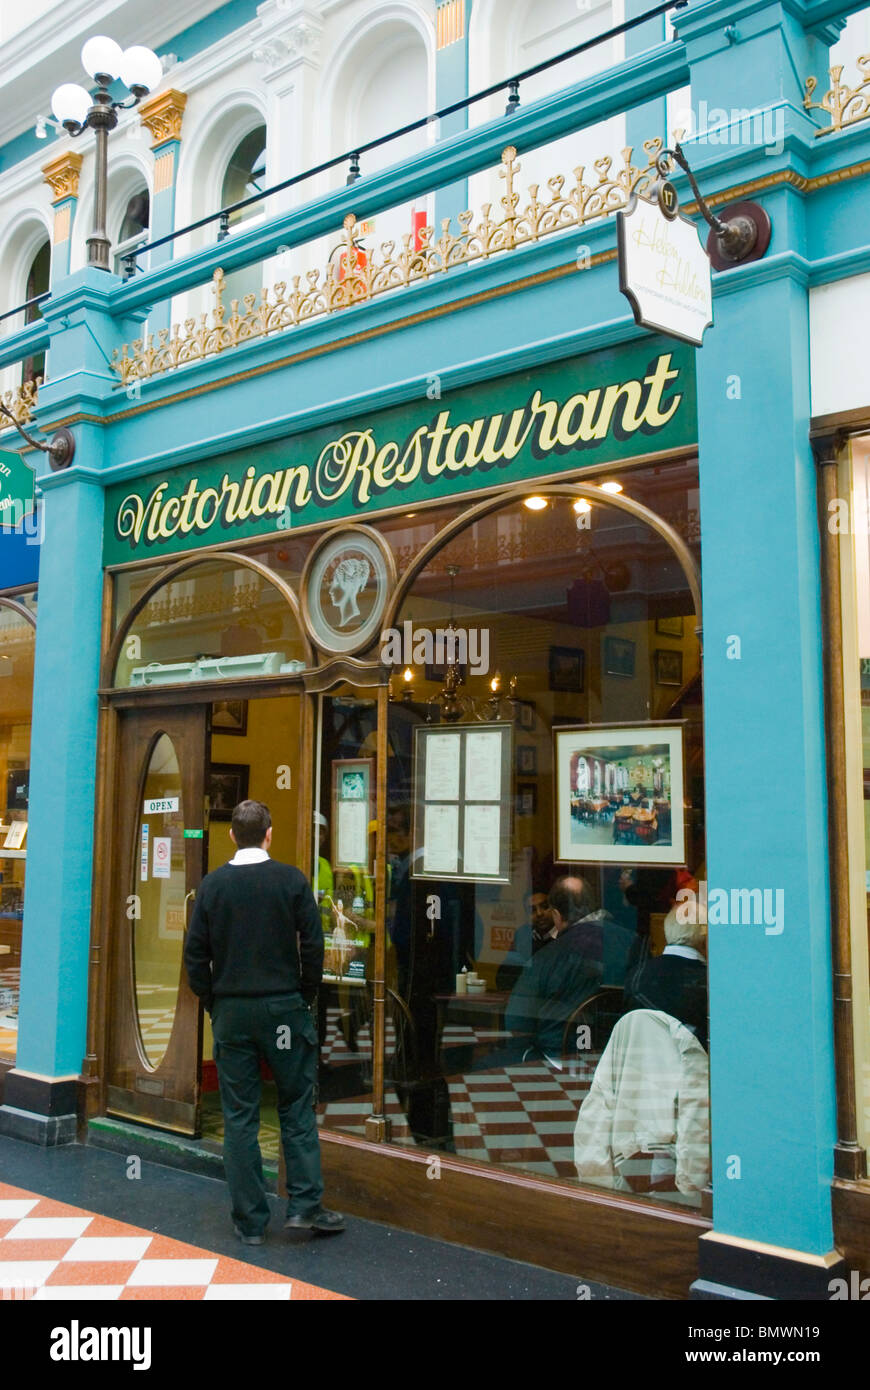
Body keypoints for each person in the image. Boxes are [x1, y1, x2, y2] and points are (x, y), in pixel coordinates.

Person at [184, 799, 345, 1244]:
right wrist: (304, 994)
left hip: (232, 1011)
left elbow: (195, 956)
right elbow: (314, 947)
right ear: (269, 833)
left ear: (233, 835)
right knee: (296, 1105)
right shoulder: (291, 880)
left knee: (239, 1116)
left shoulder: (213, 886)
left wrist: (214, 1001)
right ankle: (305, 1207)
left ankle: (250, 1222)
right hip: (283, 1010)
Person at [505, 876, 604, 1066]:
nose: (540, 914)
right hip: (616, 1061)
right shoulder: (632, 942)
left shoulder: (548, 956)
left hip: (556, 1058)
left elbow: (517, 1021)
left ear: (556, 915)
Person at [622, 888, 708, 1050]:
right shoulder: (709, 983)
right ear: (705, 938)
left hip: (642, 1065)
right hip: (697, 1069)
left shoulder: (637, 977)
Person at [495, 889, 557, 991]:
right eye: (532, 910)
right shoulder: (523, 935)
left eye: (544, 907)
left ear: (555, 909)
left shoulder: (565, 935)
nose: (539, 913)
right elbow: (503, 978)